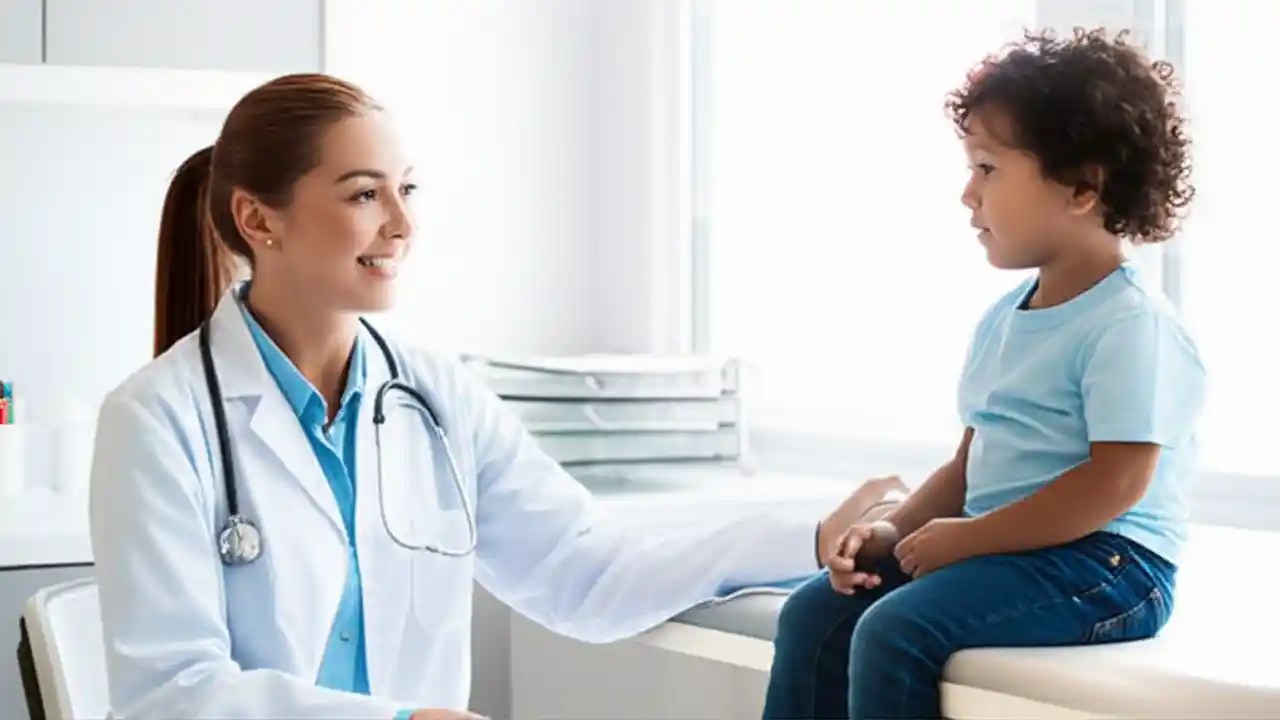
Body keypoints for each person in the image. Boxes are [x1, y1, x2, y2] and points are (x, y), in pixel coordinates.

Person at [88, 72, 898, 720]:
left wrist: (809, 535)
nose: (402, 224)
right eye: (365, 194)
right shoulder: (158, 423)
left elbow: (586, 569)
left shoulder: (435, 396)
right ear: (257, 221)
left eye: (408, 189)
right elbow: (174, 693)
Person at [762, 28, 1205, 720]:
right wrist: (895, 532)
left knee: (895, 630)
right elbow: (971, 464)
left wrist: (970, 536)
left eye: (988, 169)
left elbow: (1116, 482)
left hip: (1110, 566)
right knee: (814, 614)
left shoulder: (1130, 323)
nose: (968, 195)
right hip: (1011, 549)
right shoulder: (1006, 319)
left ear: (1083, 187)